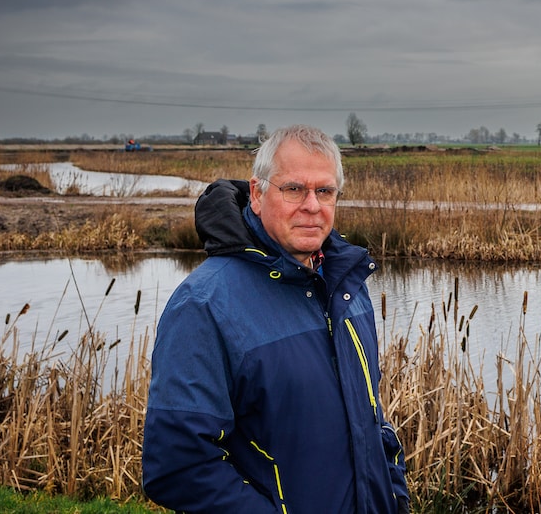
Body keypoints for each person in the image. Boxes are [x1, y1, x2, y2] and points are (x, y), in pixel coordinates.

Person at [142, 124, 409, 514]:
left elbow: (369, 416)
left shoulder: (348, 288)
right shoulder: (205, 305)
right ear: (257, 193)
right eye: (294, 189)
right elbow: (177, 466)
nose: (312, 206)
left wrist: (394, 494)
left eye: (325, 191)